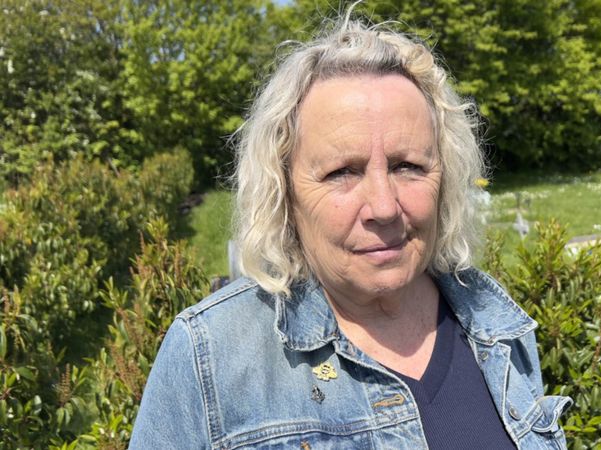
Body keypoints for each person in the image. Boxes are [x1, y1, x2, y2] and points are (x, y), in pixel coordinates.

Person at [130, 11, 571, 450]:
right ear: (283, 191)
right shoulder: (211, 355)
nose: (383, 206)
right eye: (342, 171)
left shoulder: (494, 326)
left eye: (408, 166)